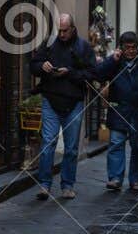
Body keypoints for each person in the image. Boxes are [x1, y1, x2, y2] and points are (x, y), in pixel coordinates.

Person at [28, 12, 96, 200]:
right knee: (48, 143)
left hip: (74, 102)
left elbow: (92, 73)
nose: (62, 34)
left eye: (65, 31)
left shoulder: (83, 47)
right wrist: (42, 66)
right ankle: (44, 184)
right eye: (59, 30)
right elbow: (33, 65)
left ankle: (67, 185)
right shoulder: (49, 44)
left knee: (71, 148)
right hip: (50, 99)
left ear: (72, 28)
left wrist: (70, 73)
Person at [93, 32, 138, 194]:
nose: (131, 51)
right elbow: (98, 74)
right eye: (127, 48)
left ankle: (135, 180)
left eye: (133, 48)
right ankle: (115, 178)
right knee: (116, 143)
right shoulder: (115, 62)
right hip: (119, 109)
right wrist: (112, 60)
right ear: (121, 47)